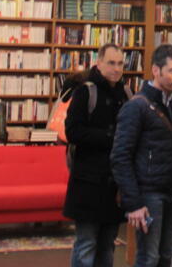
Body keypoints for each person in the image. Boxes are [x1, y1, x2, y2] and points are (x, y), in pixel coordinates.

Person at [111, 45, 172, 267]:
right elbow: (120, 156)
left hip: (171, 190)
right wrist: (133, 203)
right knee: (148, 258)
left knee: (166, 254)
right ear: (156, 70)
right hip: (148, 193)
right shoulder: (137, 106)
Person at [64, 45, 131, 267]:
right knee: (86, 244)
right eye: (111, 63)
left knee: (108, 245)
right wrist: (110, 137)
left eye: (120, 64)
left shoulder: (127, 94)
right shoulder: (85, 92)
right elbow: (72, 131)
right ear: (99, 63)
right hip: (88, 182)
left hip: (115, 184)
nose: (116, 68)